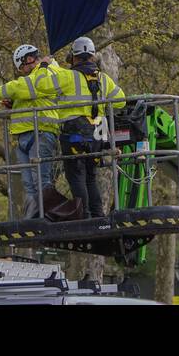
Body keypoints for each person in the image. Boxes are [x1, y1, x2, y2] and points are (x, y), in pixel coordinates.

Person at [0, 44, 69, 218]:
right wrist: (15, 104)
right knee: (29, 183)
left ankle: (50, 215)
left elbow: (20, 87)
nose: (22, 72)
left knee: (41, 179)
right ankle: (33, 217)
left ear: (28, 60)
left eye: (22, 67)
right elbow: (31, 96)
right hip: (27, 134)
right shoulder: (37, 74)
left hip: (41, 132)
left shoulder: (45, 72)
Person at [54, 36, 125, 219]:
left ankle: (83, 216)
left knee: (76, 175)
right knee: (91, 177)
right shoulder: (104, 79)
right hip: (97, 136)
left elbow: (40, 86)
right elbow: (120, 101)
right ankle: (98, 215)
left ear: (74, 57)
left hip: (75, 135)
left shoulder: (66, 76)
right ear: (93, 56)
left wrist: (48, 66)